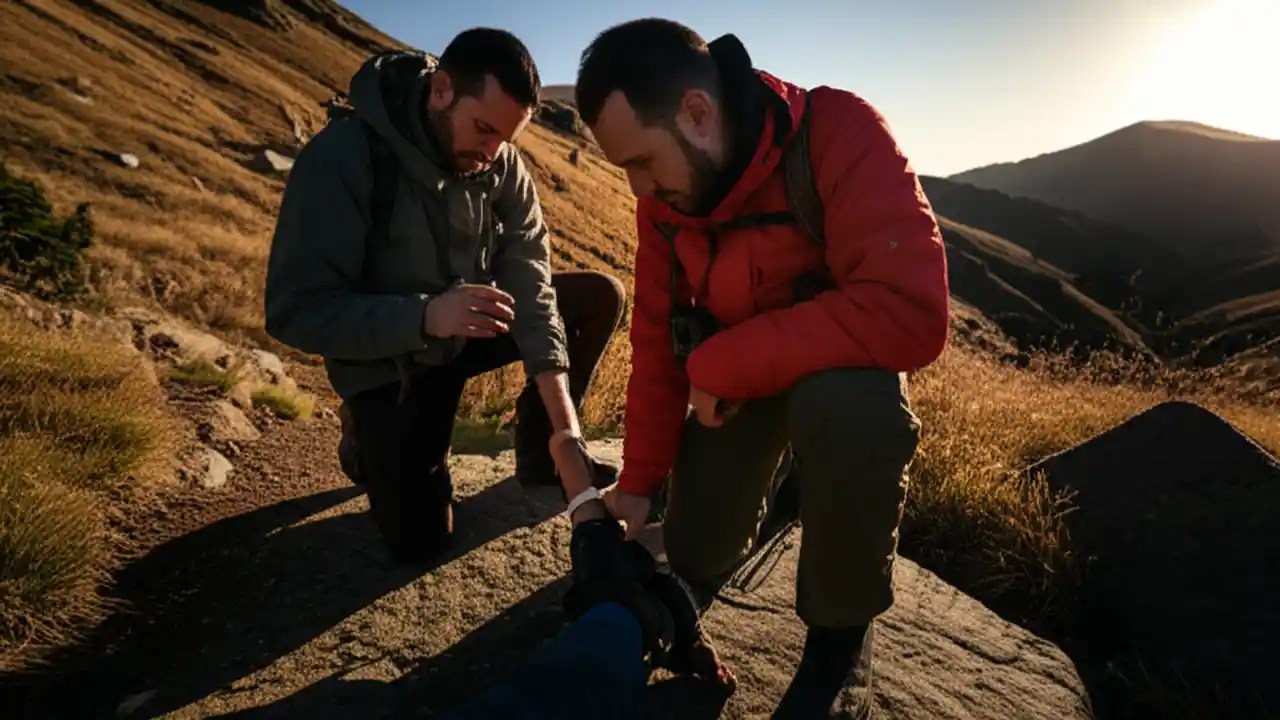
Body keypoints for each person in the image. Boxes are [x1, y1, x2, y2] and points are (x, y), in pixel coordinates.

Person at [574, 19, 950, 719]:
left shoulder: (838, 130)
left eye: (644, 162)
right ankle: (774, 500)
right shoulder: (663, 205)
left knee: (851, 410)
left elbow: (912, 311)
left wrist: (722, 362)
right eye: (625, 169)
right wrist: (636, 487)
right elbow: (656, 345)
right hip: (738, 391)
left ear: (697, 112)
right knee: (694, 549)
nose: (637, 190)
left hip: (828, 372)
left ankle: (840, 643)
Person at [265, 28, 625, 563]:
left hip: (467, 328)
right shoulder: (343, 157)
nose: (492, 153)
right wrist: (427, 316)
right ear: (441, 90)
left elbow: (530, 279)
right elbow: (295, 311)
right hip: (395, 361)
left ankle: (541, 454)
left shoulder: (498, 161)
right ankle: (365, 435)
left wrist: (566, 428)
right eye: (483, 129)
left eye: (506, 139)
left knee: (598, 295)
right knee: (422, 542)